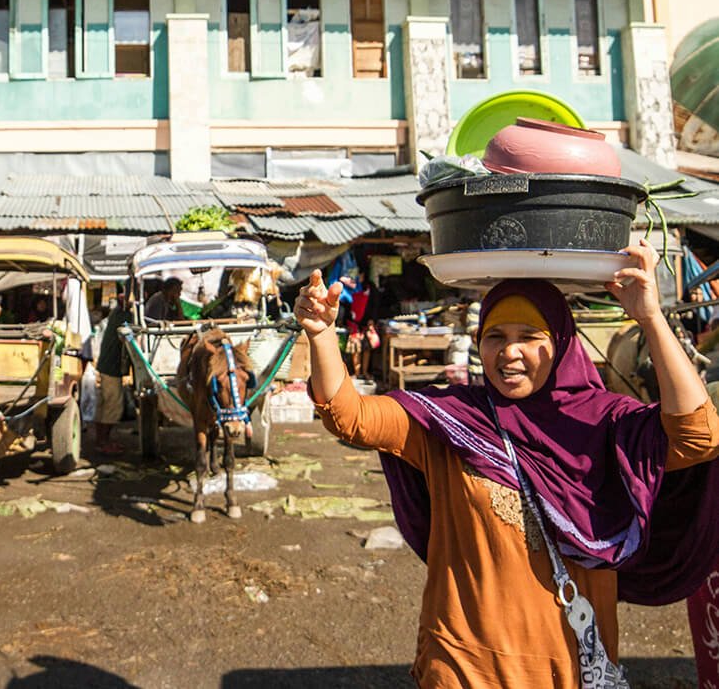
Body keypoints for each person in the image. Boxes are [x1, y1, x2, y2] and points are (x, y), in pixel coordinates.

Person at [296, 239, 719, 687]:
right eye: (495, 337)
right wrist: (321, 335)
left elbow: (700, 436)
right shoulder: (451, 421)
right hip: (463, 667)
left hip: (569, 669)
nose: (509, 352)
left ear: (561, 344)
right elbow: (350, 416)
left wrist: (651, 318)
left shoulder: (607, 424)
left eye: (529, 337)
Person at [93, 290, 133, 454]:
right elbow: (129, 337)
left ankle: (102, 441)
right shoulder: (123, 316)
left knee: (104, 405)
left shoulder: (117, 313)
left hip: (106, 365)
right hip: (111, 366)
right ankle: (103, 442)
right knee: (113, 406)